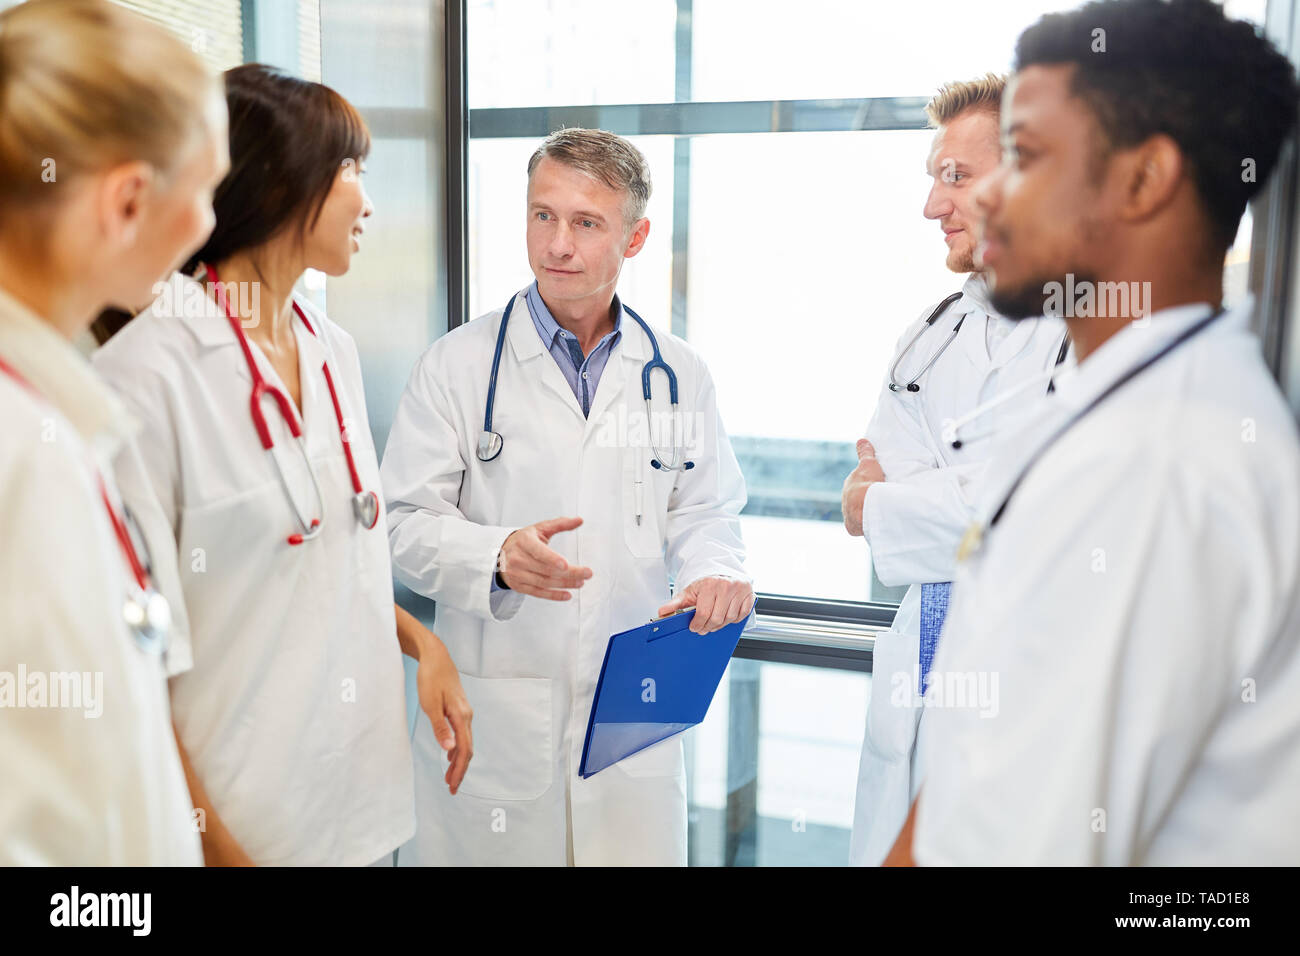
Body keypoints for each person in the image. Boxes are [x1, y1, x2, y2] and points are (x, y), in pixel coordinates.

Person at [889, 0, 1300, 865]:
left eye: (1025, 156)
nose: (988, 191)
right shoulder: (1126, 407)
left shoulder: (1152, 464)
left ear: (1145, 180)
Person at [92, 64, 471, 866]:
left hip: (362, 815)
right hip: (240, 826)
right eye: (349, 171)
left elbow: (333, 558)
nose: (367, 200)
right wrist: (219, 851)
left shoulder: (331, 352)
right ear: (279, 182)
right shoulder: (144, 379)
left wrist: (421, 644)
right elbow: (134, 671)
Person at [381, 127, 753, 866]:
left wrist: (716, 569)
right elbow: (398, 526)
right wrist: (494, 556)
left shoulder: (677, 374)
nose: (557, 244)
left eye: (586, 223)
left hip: (629, 731)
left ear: (636, 236)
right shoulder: (457, 366)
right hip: (496, 726)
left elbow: (706, 510)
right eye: (542, 215)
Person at [0, 0, 226, 864]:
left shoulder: (54, 412)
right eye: (205, 189)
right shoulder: (24, 447)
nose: (209, 223)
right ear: (128, 200)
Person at [840, 74, 1069, 866]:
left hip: (1036, 704)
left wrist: (892, 504)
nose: (932, 207)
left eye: (956, 177)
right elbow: (891, 489)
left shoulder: (1106, 324)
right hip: (920, 672)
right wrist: (942, 503)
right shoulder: (927, 335)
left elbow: (1037, 519)